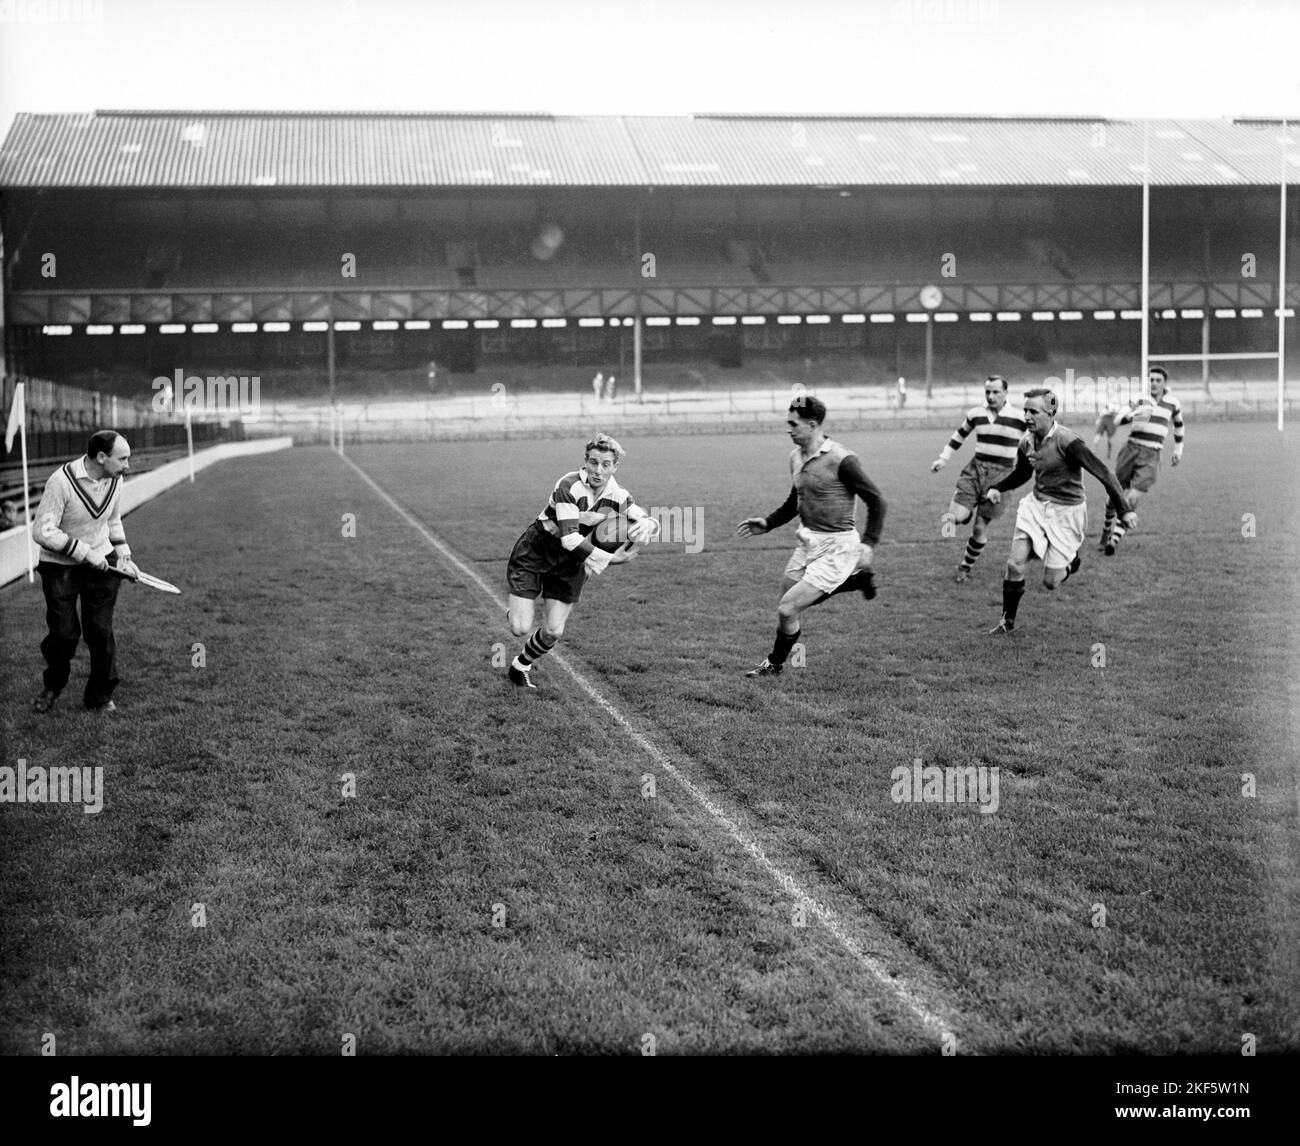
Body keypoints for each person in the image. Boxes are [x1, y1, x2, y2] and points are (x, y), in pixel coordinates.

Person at [735, 396, 886, 677]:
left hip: (838, 547)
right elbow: (795, 501)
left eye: (793, 424)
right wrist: (767, 523)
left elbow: (877, 501)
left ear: (812, 424)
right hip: (807, 541)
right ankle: (853, 581)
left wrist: (869, 543)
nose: (788, 429)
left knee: (787, 608)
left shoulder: (842, 460)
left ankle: (774, 665)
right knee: (788, 601)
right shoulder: (795, 458)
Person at [505, 433, 659, 689]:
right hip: (537, 552)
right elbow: (569, 539)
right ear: (585, 461)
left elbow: (642, 515)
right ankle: (517, 611)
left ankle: (520, 666)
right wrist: (611, 559)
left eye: (606, 464)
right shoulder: (569, 485)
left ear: (615, 467)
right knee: (520, 628)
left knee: (553, 631)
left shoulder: (618, 494)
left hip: (571, 563)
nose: (599, 470)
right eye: (594, 463)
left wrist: (647, 523)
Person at [984, 389, 1134, 635]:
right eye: (1025, 410)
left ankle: (1071, 562)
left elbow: (1104, 473)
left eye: (1033, 411)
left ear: (1050, 412)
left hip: (1068, 512)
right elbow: (1023, 474)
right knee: (1014, 564)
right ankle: (1006, 623)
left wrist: (1124, 510)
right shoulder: (1026, 441)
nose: (1027, 416)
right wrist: (997, 488)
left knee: (1050, 583)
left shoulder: (1068, 441)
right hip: (1036, 506)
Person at [30, 430, 139, 712]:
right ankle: (53, 686)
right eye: (122, 458)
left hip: (103, 562)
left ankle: (100, 696)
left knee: (100, 632)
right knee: (64, 636)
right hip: (60, 568)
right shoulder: (61, 481)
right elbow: (42, 531)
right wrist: (84, 553)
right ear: (101, 457)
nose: (127, 465)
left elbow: (113, 521)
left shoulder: (115, 480)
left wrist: (124, 557)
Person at [930, 374, 1026, 583]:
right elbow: (959, 436)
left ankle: (965, 568)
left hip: (1002, 477)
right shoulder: (976, 413)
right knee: (952, 518)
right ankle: (961, 516)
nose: (991, 396)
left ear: (1005, 393)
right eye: (987, 392)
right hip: (975, 469)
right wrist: (943, 458)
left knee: (980, 527)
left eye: (995, 392)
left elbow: (1038, 437)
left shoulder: (1019, 418)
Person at [1100, 365, 1184, 555]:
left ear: (1164, 383)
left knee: (1132, 498)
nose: (1154, 383)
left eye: (1158, 380)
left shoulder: (1173, 403)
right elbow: (1117, 419)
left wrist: (1178, 450)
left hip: (1152, 455)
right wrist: (1131, 415)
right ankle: (1106, 530)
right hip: (1131, 450)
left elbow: (1179, 427)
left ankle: (1114, 539)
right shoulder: (1139, 398)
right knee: (1114, 497)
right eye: (1151, 380)